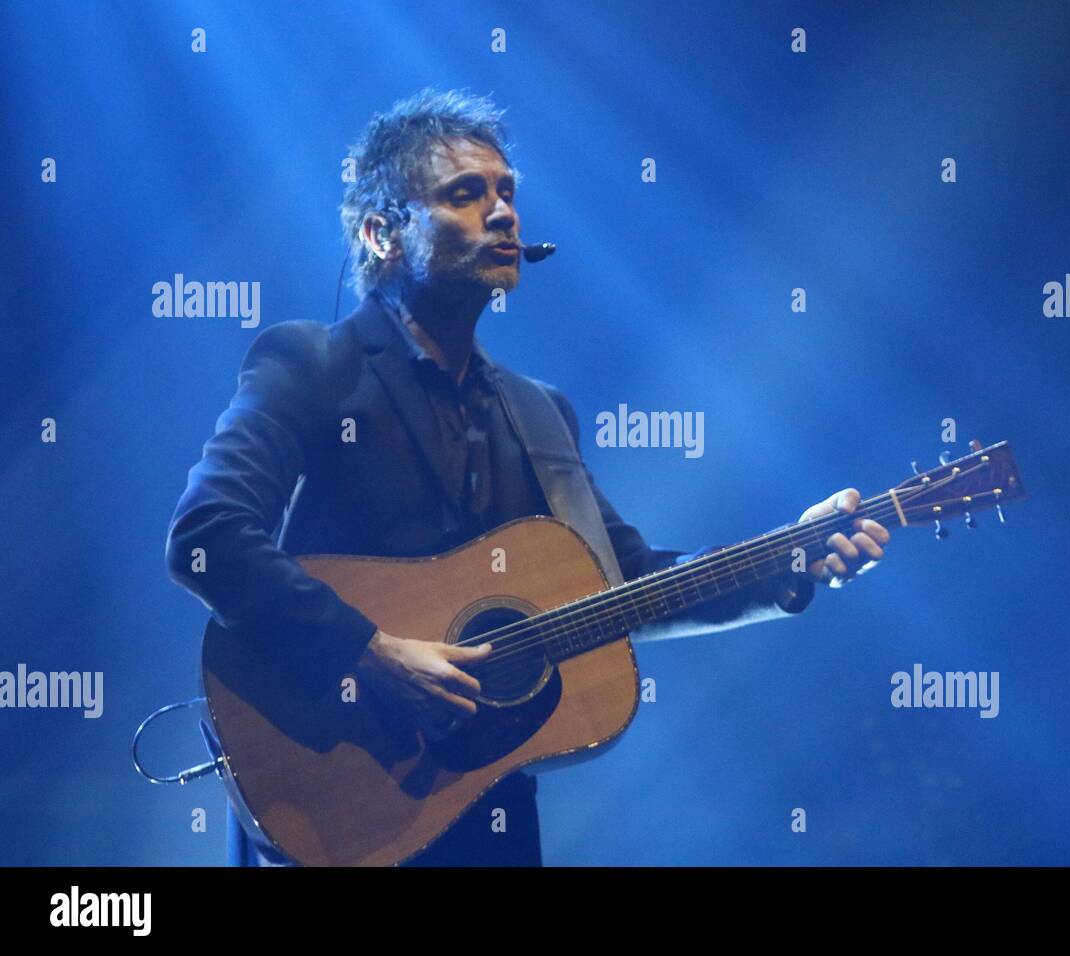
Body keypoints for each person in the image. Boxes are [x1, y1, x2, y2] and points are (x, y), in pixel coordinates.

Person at [164, 87, 889, 867]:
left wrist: (785, 561)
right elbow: (207, 538)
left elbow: (625, 583)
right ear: (382, 234)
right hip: (335, 792)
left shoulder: (539, 414)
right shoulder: (313, 365)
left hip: (484, 808)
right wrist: (368, 651)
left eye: (507, 193)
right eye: (464, 195)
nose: (503, 212)